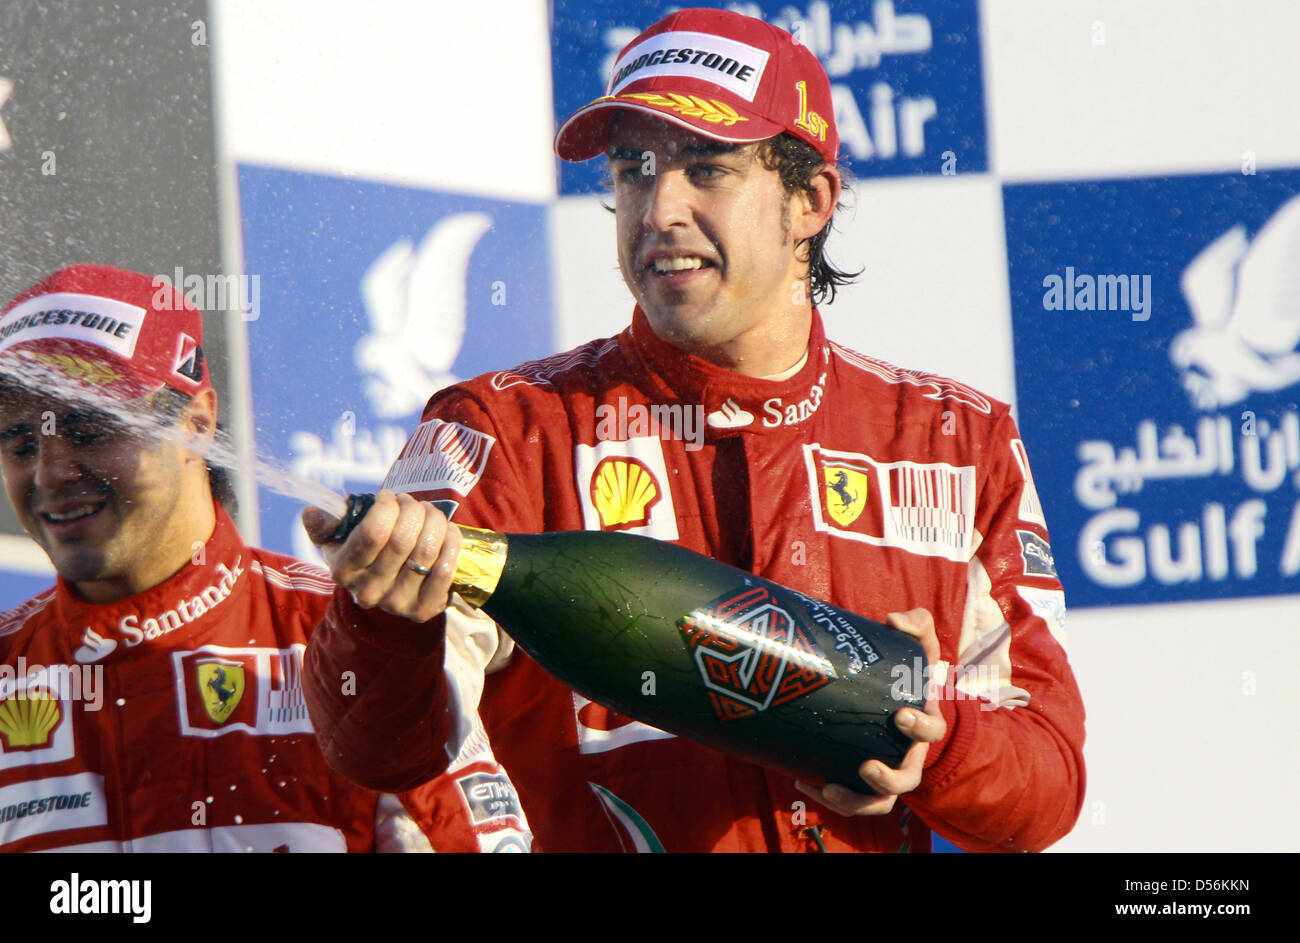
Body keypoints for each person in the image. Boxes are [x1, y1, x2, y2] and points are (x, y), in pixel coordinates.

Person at [302, 8, 1085, 852]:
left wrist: (937, 741)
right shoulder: (502, 430)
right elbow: (374, 751)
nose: (660, 207)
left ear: (810, 199)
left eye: (706, 168)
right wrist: (380, 622)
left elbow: (1047, 791)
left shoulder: (952, 438)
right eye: (634, 171)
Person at [0, 265, 531, 852]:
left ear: (197, 424)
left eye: (90, 427)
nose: (51, 472)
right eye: (20, 444)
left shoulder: (349, 640)